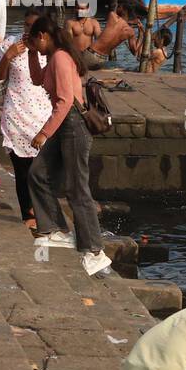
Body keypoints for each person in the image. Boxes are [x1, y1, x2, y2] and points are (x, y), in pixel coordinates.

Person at [25, 14, 113, 278]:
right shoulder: (53, 57)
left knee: (77, 190)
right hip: (64, 126)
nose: (35, 47)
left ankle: (95, 251)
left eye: (34, 42)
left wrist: (43, 133)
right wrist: (31, 54)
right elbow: (38, 79)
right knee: (38, 174)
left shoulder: (61, 58)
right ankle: (55, 229)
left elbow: (64, 102)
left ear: (43, 36)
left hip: (73, 126)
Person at [0, 7, 51, 231]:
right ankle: (28, 213)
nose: (28, 30)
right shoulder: (11, 44)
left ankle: (42, 208)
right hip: (16, 113)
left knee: (40, 168)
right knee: (22, 168)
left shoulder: (50, 48)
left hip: (43, 115)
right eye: (26, 25)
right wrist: (8, 56)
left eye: (33, 27)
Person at [85, 4, 136, 70]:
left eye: (119, 6)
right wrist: (140, 32)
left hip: (90, 53)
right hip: (102, 59)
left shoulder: (112, 15)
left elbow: (118, 20)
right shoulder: (131, 32)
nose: (117, 7)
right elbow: (134, 52)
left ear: (124, 9)